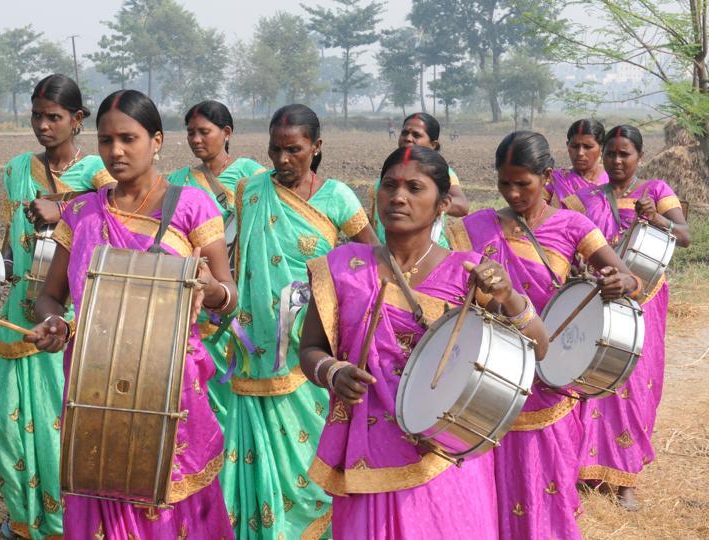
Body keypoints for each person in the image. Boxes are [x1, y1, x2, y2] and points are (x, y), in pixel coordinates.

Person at [299, 145, 549, 539]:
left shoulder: (467, 272)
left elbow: (538, 348)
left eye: (415, 188)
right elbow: (309, 349)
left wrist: (510, 298)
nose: (398, 197)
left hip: (443, 455)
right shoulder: (344, 265)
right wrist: (333, 372)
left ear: (443, 204)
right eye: (389, 186)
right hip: (367, 457)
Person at [25, 89, 236, 539]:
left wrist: (211, 289)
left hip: (171, 387)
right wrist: (55, 323)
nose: (116, 151)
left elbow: (229, 296)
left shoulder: (192, 207)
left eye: (128, 138)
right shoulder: (82, 213)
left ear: (157, 141)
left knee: (168, 503)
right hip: (94, 386)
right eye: (106, 141)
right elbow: (49, 296)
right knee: (103, 484)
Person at [446, 131, 637, 538]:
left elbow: (628, 277)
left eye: (523, 183)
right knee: (490, 487)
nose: (512, 193)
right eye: (504, 183)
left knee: (547, 484)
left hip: (546, 373)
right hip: (487, 372)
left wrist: (616, 282)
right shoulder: (472, 229)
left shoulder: (573, 226)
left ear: (547, 177)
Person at [221, 104, 378, 539]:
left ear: (316, 147)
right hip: (255, 346)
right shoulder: (251, 191)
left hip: (309, 346)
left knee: (309, 453)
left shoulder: (337, 198)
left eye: (294, 149)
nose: (283, 159)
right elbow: (236, 262)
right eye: (275, 149)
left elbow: (373, 260)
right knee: (255, 454)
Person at [0, 74, 113, 540]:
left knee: (62, 430)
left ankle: (68, 525)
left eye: (54, 117)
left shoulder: (99, 173)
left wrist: (65, 210)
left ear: (77, 120)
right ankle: (24, 519)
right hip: (18, 319)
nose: (43, 125)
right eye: (37, 115)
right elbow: (6, 242)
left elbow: (116, 229)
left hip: (70, 320)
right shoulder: (16, 168)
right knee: (3, 423)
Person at [562, 125, 690, 510]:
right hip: (600, 297)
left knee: (633, 382)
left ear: (639, 156)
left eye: (626, 154)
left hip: (645, 298)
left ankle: (626, 480)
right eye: (612, 154)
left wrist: (658, 220)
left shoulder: (656, 191)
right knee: (590, 376)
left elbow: (685, 236)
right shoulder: (583, 199)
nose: (618, 161)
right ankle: (586, 471)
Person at [167, 100, 265, 428]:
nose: (196, 139)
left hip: (239, 295)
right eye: (190, 132)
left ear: (226, 133)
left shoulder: (253, 176)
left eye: (204, 132)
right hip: (194, 298)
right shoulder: (178, 180)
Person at [371, 112, 469, 248]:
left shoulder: (439, 173)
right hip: (387, 253)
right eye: (404, 133)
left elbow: (462, 206)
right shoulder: (391, 170)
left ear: (433, 144)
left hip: (428, 254)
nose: (408, 139)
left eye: (416, 135)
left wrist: (427, 204)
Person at [545, 119, 608, 207]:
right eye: (574, 146)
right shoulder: (556, 180)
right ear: (567, 145)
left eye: (588, 147)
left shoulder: (611, 181)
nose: (580, 153)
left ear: (602, 147)